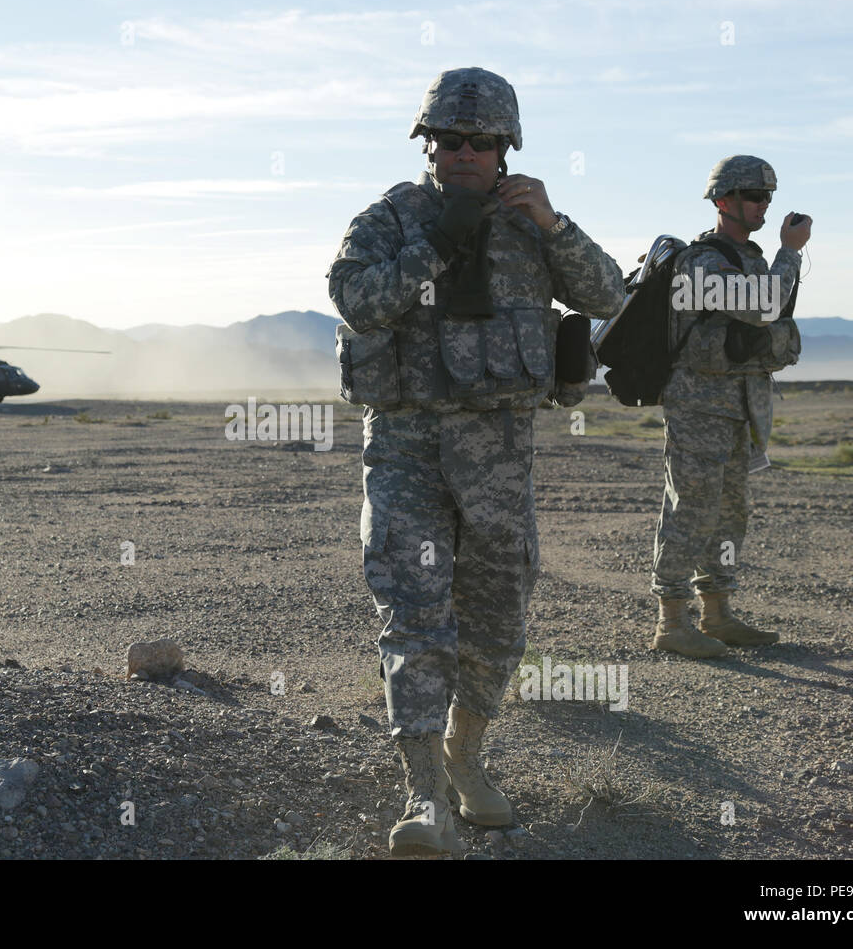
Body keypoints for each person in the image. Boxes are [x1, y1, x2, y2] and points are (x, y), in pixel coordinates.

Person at [327, 68, 624, 856]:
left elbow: (611, 296)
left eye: (481, 142)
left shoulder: (533, 223)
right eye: (449, 140)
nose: (464, 153)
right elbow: (357, 300)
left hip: (500, 455)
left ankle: (466, 757)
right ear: (429, 145)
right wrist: (433, 247)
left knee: (497, 618)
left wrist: (556, 228)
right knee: (415, 617)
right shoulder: (391, 219)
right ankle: (424, 794)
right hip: (408, 452)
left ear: (505, 148)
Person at [651, 155, 810, 658]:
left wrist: (780, 258)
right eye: (755, 196)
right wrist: (790, 252)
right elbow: (764, 308)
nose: (764, 205)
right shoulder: (701, 262)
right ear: (724, 201)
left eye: (768, 196)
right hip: (698, 410)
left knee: (729, 514)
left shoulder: (751, 260)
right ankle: (671, 621)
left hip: (739, 410)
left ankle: (716, 614)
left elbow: (768, 311)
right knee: (690, 511)